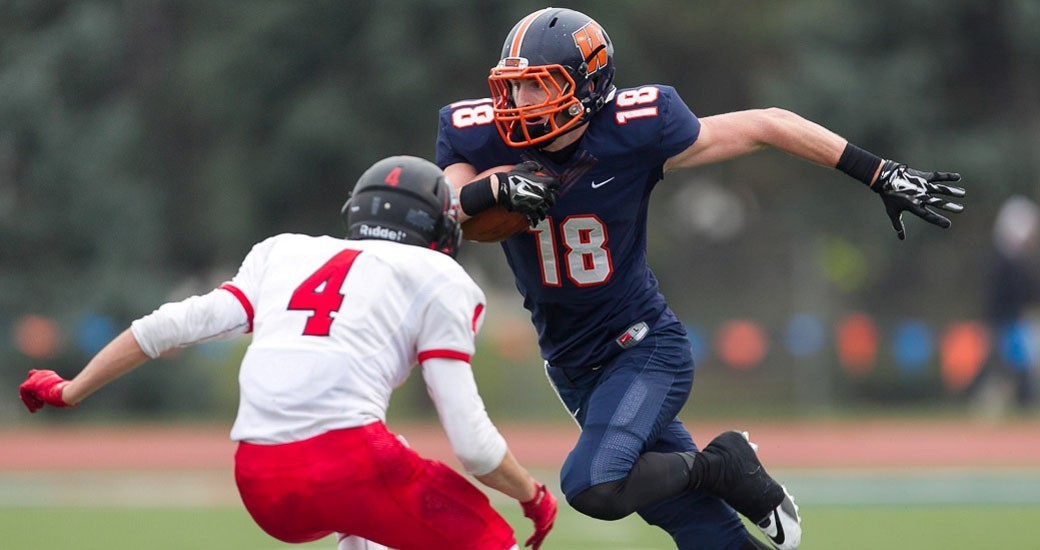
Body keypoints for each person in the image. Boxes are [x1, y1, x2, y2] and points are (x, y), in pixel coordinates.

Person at [436, 7, 966, 550]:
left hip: (641, 348)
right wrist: (489, 192)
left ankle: (722, 463)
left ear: (588, 89)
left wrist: (878, 173)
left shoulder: (635, 129)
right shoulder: (477, 136)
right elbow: (446, 206)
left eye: (537, 87)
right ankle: (720, 475)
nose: (518, 104)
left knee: (592, 484)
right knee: (705, 533)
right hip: (570, 364)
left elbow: (767, 124)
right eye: (513, 87)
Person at [19, 156, 558, 550]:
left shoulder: (283, 252)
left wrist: (70, 388)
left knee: (368, 521)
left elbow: (167, 326)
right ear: (437, 227)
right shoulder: (438, 275)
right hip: (348, 465)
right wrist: (533, 495)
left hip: (259, 481)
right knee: (494, 541)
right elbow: (472, 443)